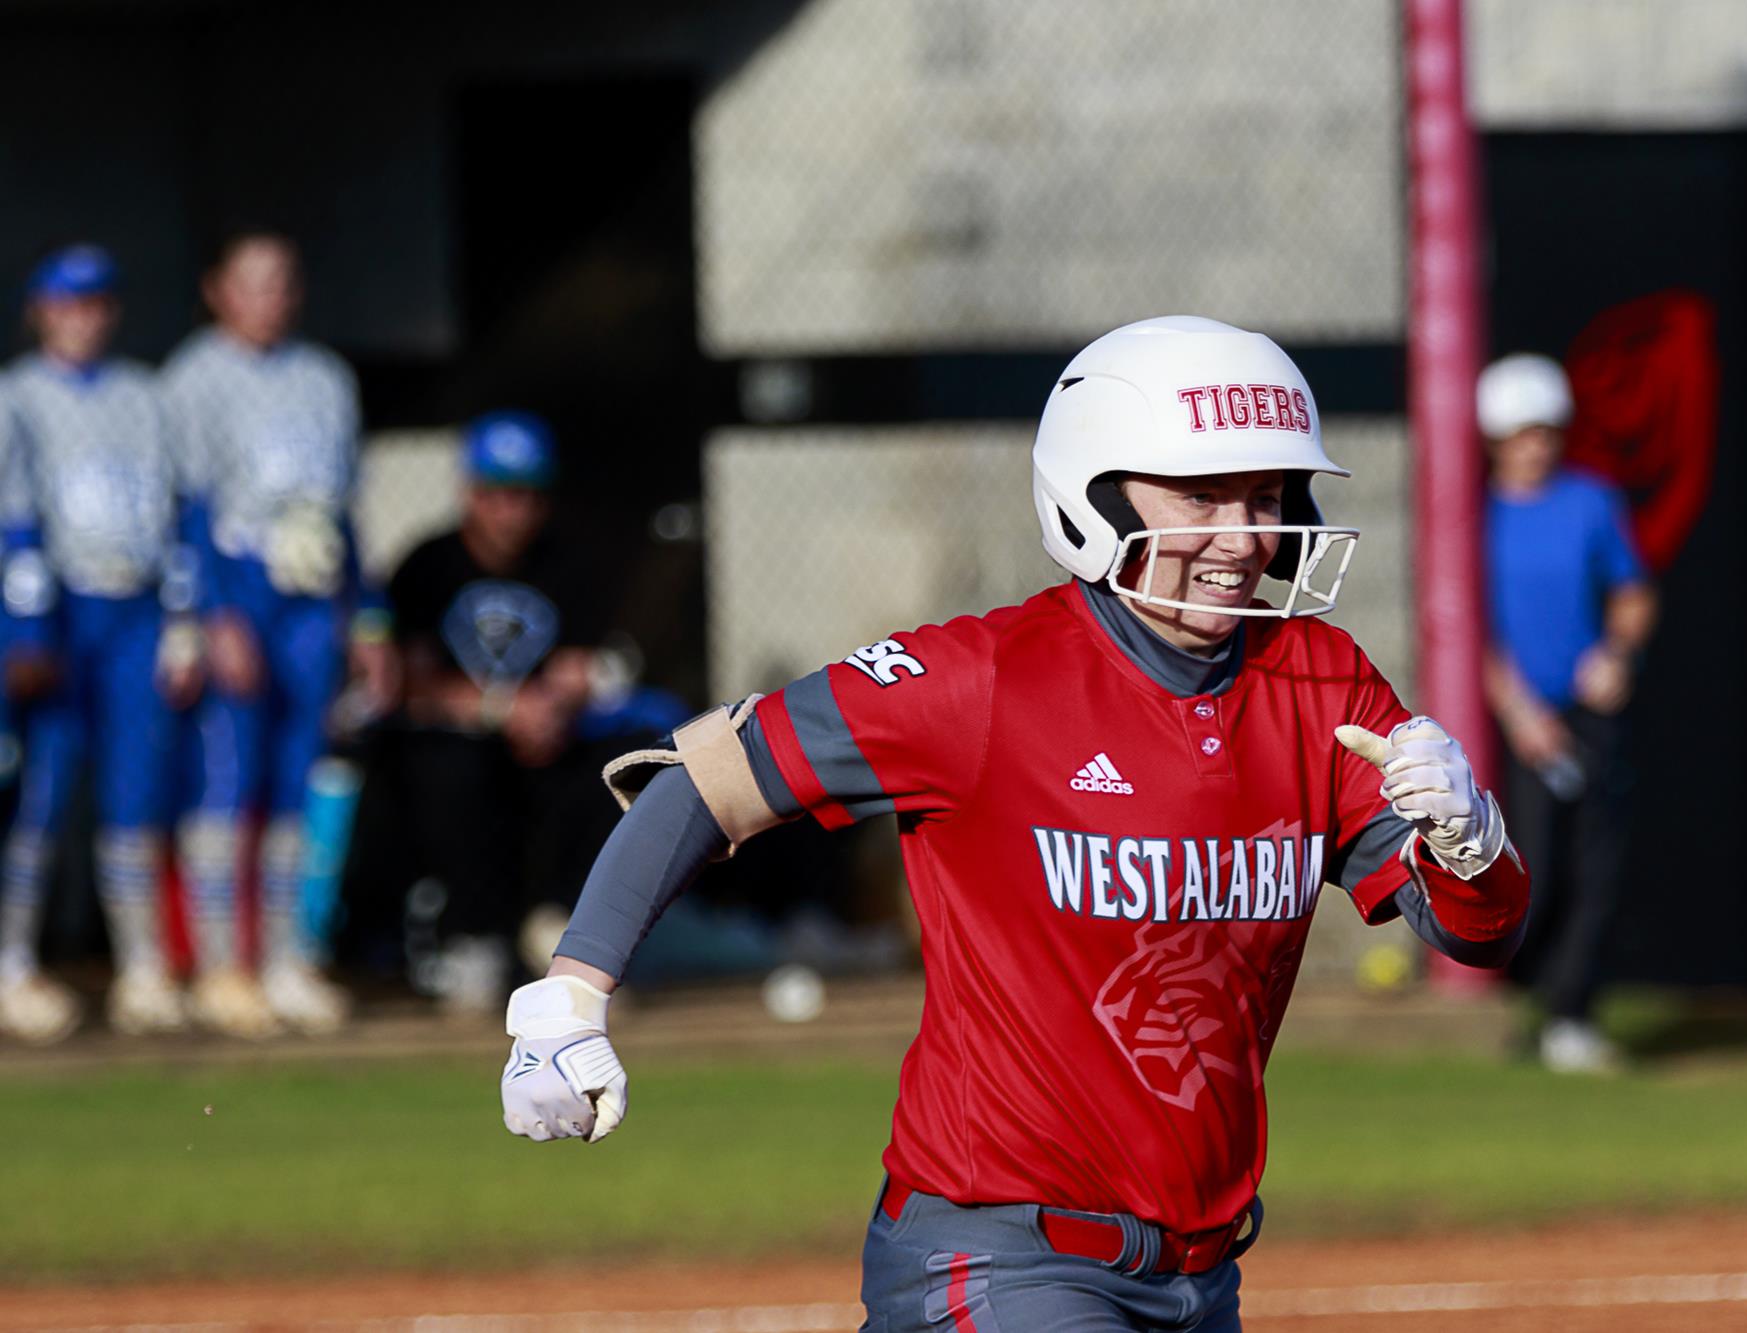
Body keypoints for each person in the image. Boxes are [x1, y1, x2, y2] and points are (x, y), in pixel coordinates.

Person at [498, 317, 1531, 1330]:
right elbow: (709, 778)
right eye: (1201, 494)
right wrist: (568, 995)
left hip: (1201, 1275)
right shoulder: (980, 680)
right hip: (997, 1253)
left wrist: (1469, 839)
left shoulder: (1317, 675)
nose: (1242, 535)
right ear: (1094, 490)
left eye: (1263, 495)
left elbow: (1476, 932)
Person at [158, 230, 391, 1037]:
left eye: (282, 281)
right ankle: (222, 965)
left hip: (310, 592)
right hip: (239, 583)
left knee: (302, 777)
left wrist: (368, 616)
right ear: (218, 289)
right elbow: (184, 511)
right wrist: (210, 617)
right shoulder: (193, 378)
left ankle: (289, 958)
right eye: (251, 282)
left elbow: (345, 507)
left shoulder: (324, 378)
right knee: (229, 774)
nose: (269, 298)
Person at [0, 245, 202, 1044]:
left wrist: (183, 617)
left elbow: (179, 511)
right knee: (41, 796)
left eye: (94, 303)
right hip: (58, 606)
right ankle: (13, 966)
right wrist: (24, 628)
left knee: (136, 793)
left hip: (136, 604)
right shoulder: (16, 393)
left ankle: (144, 967)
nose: (81, 318)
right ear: (39, 310)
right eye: (65, 303)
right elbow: (14, 522)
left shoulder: (144, 395)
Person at [381, 411, 633, 1014]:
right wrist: (501, 708)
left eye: (524, 494)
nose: (510, 510)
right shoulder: (428, 565)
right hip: (458, 744)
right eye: (497, 493)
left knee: (620, 765)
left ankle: (564, 932)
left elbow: (578, 668)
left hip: (545, 739)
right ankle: (473, 938)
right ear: (471, 492)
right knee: (449, 771)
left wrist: (548, 708)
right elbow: (410, 683)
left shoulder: (569, 562)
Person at [1478, 353, 1658, 1074]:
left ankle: (1572, 1015)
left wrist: (1615, 653)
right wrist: (1518, 711)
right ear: (1495, 438)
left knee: (1595, 866)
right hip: (1514, 724)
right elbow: (1469, 627)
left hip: (1586, 717)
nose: (1536, 445)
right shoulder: (1475, 515)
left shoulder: (1591, 502)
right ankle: (1527, 1002)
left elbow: (1633, 593)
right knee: (1534, 869)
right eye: (1522, 432)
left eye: (1546, 430)